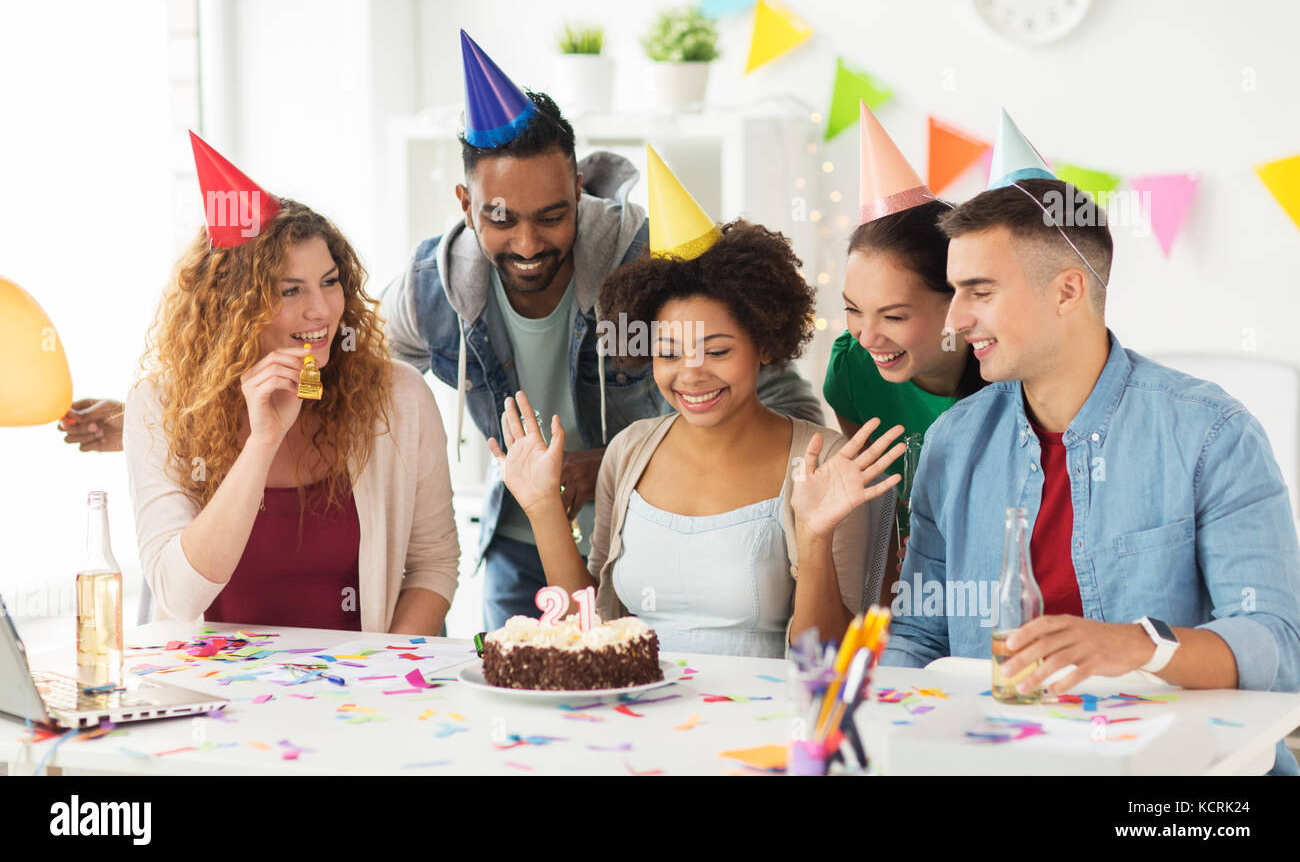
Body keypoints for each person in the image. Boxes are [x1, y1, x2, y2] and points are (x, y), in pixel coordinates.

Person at [879, 111, 1300, 774]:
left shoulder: (1211, 434)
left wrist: (1139, 646)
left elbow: (1274, 644)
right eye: (955, 293)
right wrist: (878, 739)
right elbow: (920, 632)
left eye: (978, 292)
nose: (956, 321)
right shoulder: (955, 442)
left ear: (1068, 289)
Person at [380, 32, 822, 630]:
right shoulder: (430, 287)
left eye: (552, 217)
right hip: (518, 540)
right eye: (501, 219)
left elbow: (776, 389)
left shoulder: (647, 257)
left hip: (650, 547)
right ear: (466, 203)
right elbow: (365, 383)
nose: (529, 244)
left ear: (578, 193)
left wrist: (620, 461)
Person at [490, 212, 905, 657]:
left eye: (717, 350)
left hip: (763, 719)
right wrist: (542, 508)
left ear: (764, 343)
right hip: (639, 711)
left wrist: (814, 537)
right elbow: (593, 629)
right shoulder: (629, 453)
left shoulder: (823, 462)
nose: (691, 375)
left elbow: (826, 657)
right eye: (668, 353)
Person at [124, 133, 459, 634]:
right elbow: (181, 595)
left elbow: (433, 564)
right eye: (290, 290)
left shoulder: (399, 397)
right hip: (211, 699)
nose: (321, 310)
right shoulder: (158, 406)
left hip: (359, 702)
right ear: (232, 306)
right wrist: (262, 442)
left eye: (329, 281)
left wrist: (380, 676)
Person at [823, 105, 986, 602]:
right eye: (853, 309)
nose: (868, 337)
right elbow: (880, 500)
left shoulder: (1010, 379)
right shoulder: (852, 369)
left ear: (956, 301)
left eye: (893, 317)